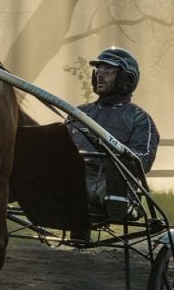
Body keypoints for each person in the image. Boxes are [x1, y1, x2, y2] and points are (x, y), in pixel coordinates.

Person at [67, 47, 159, 237]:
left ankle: (117, 202)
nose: (100, 75)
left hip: (112, 185)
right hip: (73, 179)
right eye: (98, 70)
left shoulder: (140, 119)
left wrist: (116, 154)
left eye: (108, 71)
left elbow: (143, 160)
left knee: (118, 171)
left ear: (127, 78)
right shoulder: (79, 113)